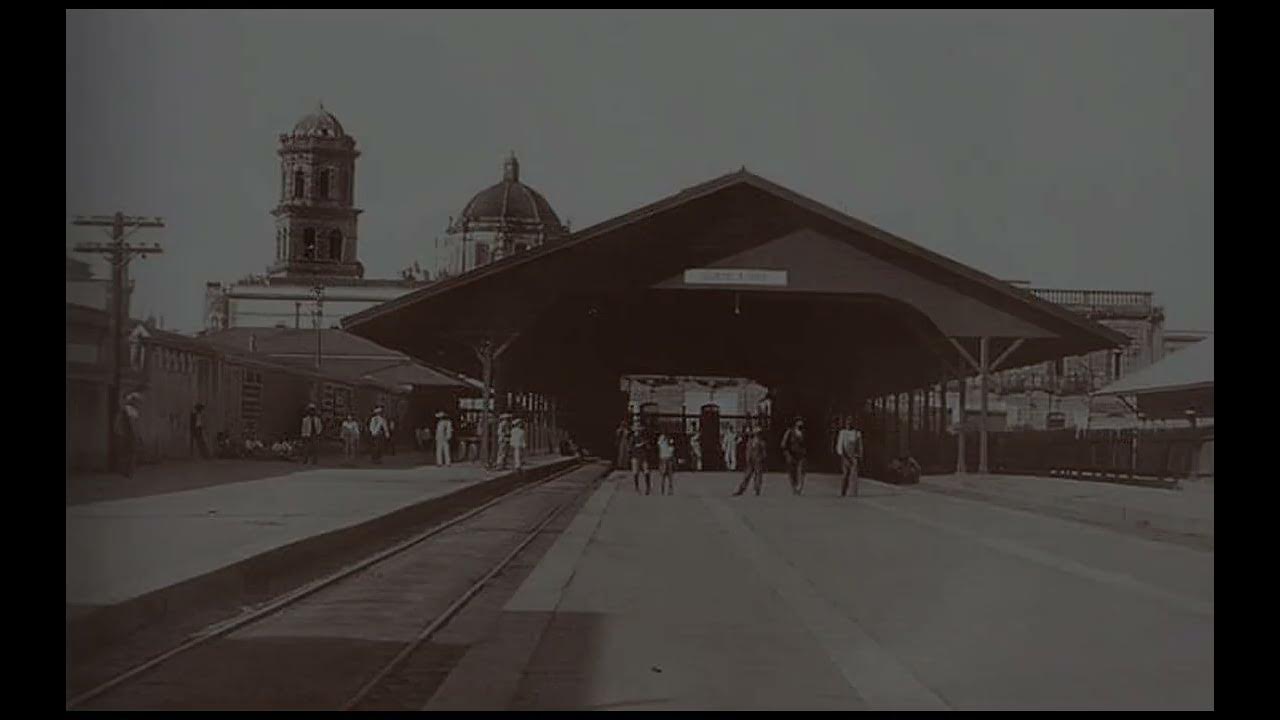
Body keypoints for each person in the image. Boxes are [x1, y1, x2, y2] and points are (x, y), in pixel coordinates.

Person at [115, 392, 143, 478]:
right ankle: (129, 472)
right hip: (130, 435)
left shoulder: (124, 409)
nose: (139, 403)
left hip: (123, 434)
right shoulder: (131, 410)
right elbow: (132, 424)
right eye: (137, 401)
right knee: (132, 453)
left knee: (126, 453)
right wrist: (136, 435)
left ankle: (126, 471)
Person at [835, 416, 864, 497]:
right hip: (845, 455)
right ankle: (843, 491)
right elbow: (839, 444)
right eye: (847, 423)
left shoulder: (857, 433)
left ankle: (854, 492)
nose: (849, 425)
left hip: (854, 456)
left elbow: (860, 446)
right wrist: (841, 453)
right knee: (845, 474)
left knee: (854, 474)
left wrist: (860, 455)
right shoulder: (842, 432)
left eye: (850, 424)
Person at [733, 428, 768, 496]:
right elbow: (748, 451)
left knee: (758, 476)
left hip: (758, 461)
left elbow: (764, 453)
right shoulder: (750, 442)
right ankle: (741, 489)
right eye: (756, 433)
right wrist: (747, 458)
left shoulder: (762, 442)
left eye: (758, 433)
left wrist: (762, 459)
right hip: (751, 461)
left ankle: (757, 489)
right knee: (747, 476)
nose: (757, 435)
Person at [781, 417, 808, 495]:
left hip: (801, 455)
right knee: (792, 472)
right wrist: (787, 454)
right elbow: (783, 444)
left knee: (801, 471)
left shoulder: (804, 433)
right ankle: (794, 486)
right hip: (791, 454)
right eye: (799, 422)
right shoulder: (789, 432)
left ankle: (799, 487)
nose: (800, 424)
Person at [630, 419, 653, 495]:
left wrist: (646, 445)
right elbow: (630, 447)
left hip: (643, 456)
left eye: (639, 427)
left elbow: (649, 446)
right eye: (636, 427)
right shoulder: (632, 437)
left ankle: (648, 487)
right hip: (635, 456)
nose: (638, 429)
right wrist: (640, 444)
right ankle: (636, 487)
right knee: (635, 472)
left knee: (646, 471)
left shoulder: (644, 436)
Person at [657, 431, 676, 495]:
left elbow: (672, 450)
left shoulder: (670, 442)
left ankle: (669, 489)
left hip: (668, 458)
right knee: (663, 475)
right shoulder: (661, 441)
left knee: (669, 475)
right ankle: (663, 489)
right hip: (663, 458)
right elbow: (659, 443)